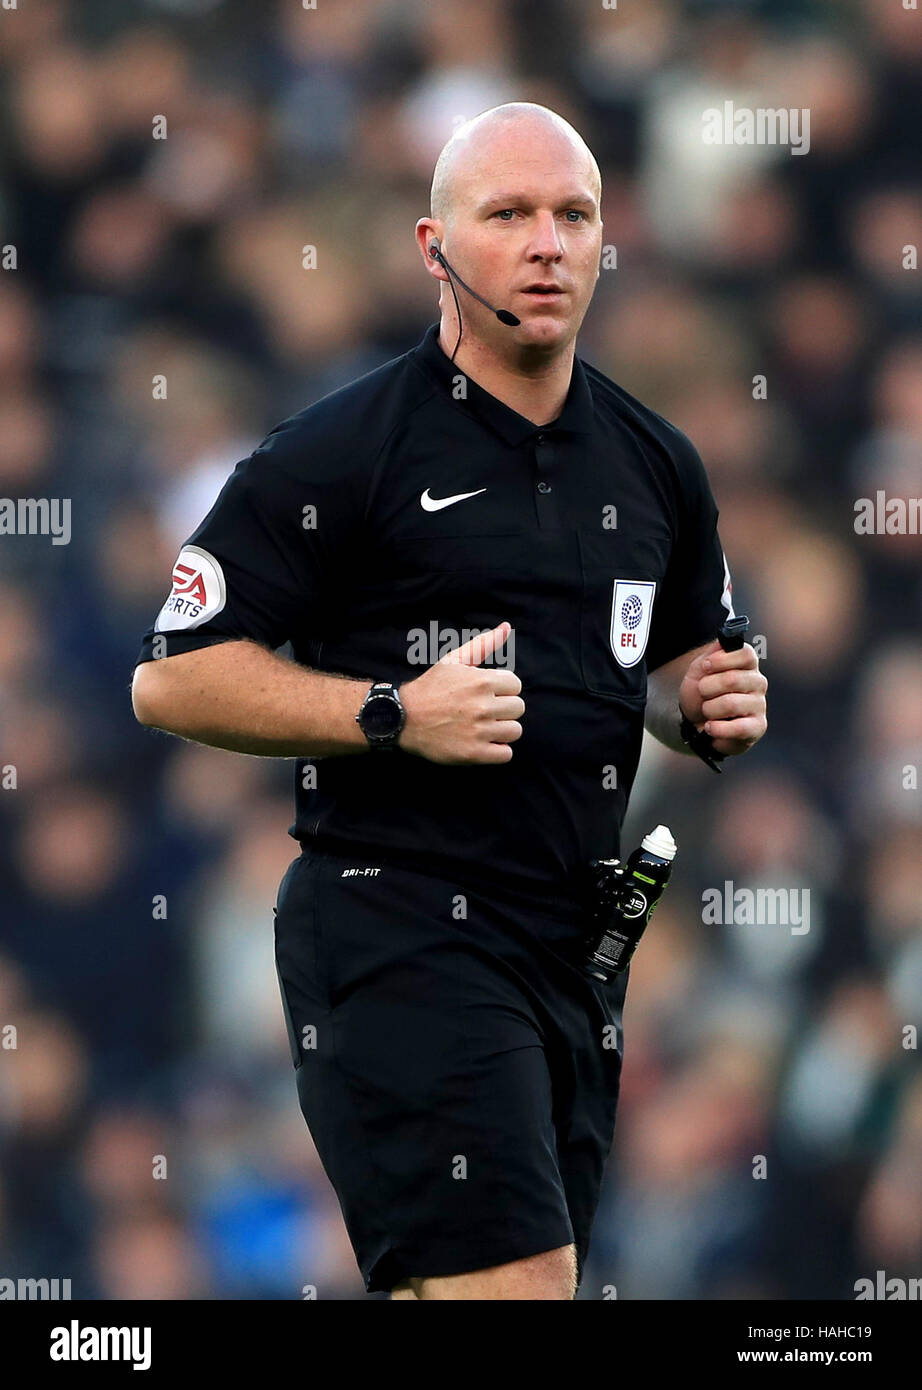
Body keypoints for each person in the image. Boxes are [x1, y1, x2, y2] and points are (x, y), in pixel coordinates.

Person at [131, 103, 768, 1300]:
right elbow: (171, 674)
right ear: (433, 247)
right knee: (515, 1283)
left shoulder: (656, 463)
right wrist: (391, 714)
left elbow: (676, 672)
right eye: (509, 215)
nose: (547, 244)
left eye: (573, 216)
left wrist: (708, 702)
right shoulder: (338, 453)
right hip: (398, 914)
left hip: (572, 940)